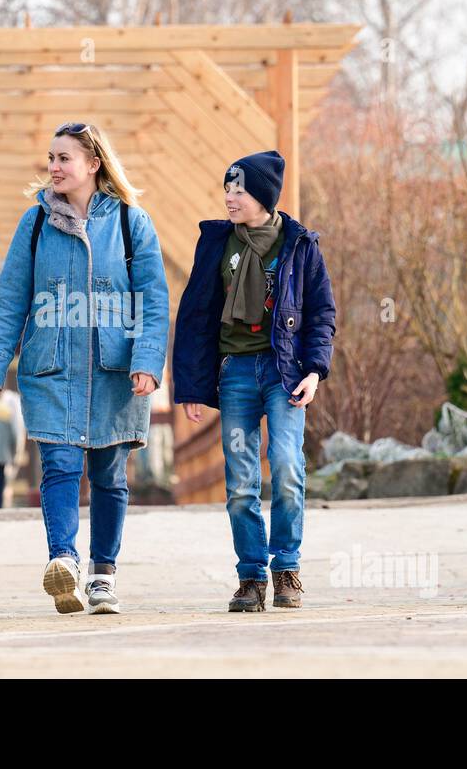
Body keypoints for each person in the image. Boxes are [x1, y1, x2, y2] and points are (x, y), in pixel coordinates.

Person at [0, 122, 170, 615]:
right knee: (59, 465)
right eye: (51, 158)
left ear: (93, 164)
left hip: (115, 371)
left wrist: (147, 360)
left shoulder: (131, 223)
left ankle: (103, 574)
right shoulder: (35, 223)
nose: (54, 167)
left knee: (109, 474)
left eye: (64, 158)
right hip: (52, 367)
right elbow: (8, 301)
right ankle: (64, 561)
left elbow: (153, 300)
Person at [172, 151, 337, 612]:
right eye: (226, 188)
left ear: (264, 195)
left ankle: (287, 567)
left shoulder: (301, 246)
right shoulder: (217, 244)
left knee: (285, 466)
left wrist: (315, 370)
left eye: (238, 189)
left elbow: (322, 313)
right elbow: (195, 316)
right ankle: (251, 578)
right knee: (242, 481)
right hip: (235, 374)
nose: (229, 197)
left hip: (285, 373)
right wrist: (191, 387)